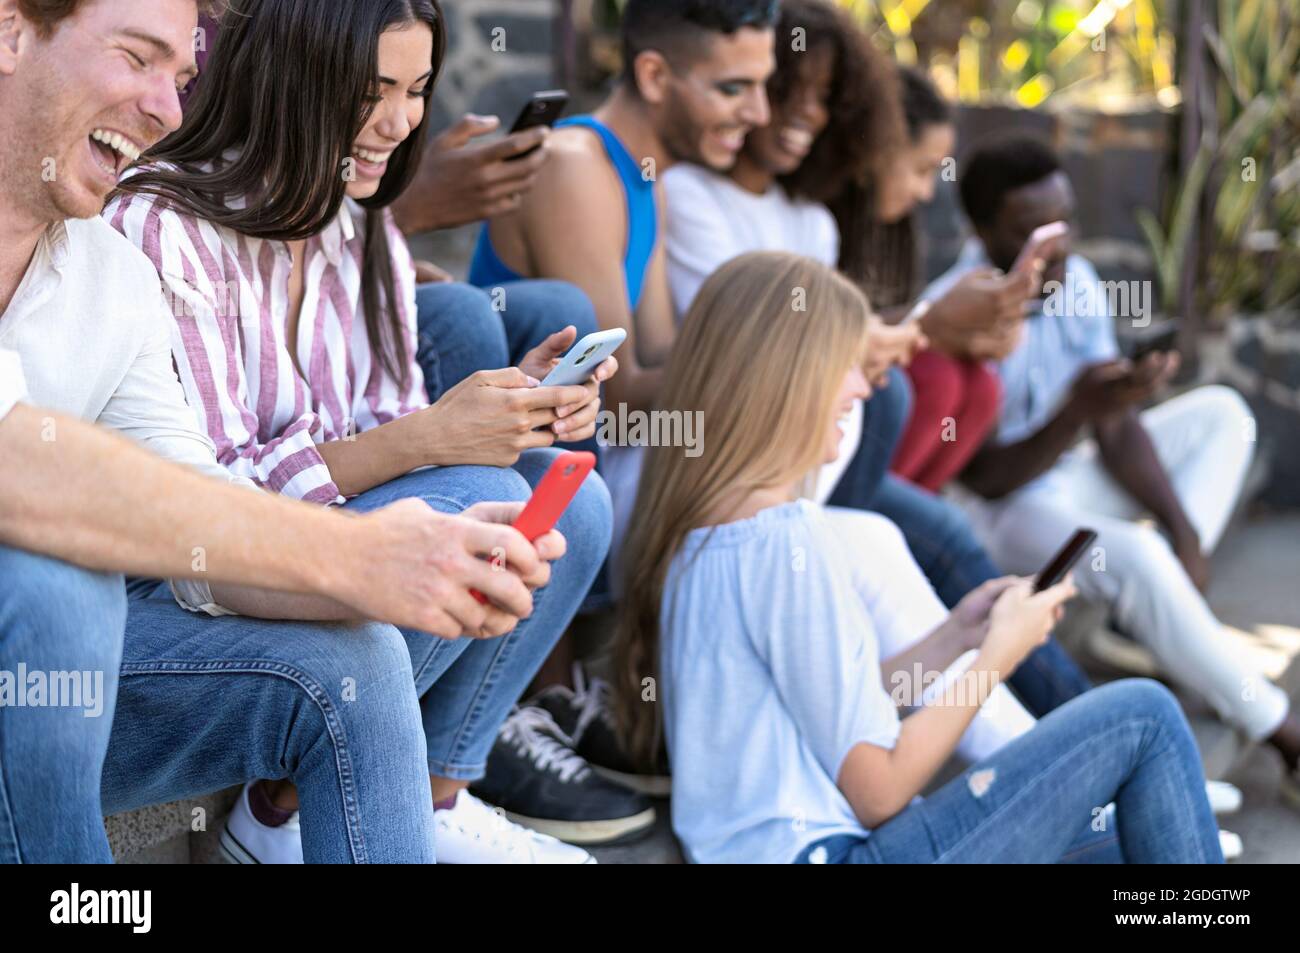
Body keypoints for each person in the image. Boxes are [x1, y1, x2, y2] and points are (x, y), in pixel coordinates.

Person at [0, 0, 566, 864]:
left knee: (364, 657)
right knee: (58, 595)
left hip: (85, 690)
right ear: (10, 31)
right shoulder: (157, 228)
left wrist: (400, 559)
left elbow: (196, 510)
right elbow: (17, 459)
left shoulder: (109, 276)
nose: (168, 109)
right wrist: (362, 553)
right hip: (47, 652)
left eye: (181, 76)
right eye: (135, 58)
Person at [613, 251, 1223, 864]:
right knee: (1143, 716)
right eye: (845, 365)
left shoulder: (702, 533)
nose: (860, 386)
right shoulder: (787, 539)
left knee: (1126, 838)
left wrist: (956, 637)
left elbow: (831, 706)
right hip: (831, 854)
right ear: (788, 378)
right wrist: (996, 657)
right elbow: (878, 789)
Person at [661, 1, 1089, 719]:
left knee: (937, 551)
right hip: (764, 478)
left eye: (823, 99)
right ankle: (1086, 742)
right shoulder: (689, 195)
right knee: (937, 542)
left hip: (826, 475)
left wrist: (915, 331)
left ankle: (1085, 742)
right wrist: (923, 325)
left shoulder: (811, 222)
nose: (797, 113)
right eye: (779, 89)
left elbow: (832, 346)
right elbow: (755, 350)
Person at [929, 135, 1300, 802]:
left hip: (1072, 468)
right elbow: (986, 475)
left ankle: (1162, 605)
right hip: (1000, 512)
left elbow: (1113, 427)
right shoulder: (956, 309)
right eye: (1031, 230)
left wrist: (1180, 525)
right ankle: (1281, 727)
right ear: (981, 229)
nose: (1058, 245)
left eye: (1063, 223)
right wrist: (1080, 410)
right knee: (1130, 553)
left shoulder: (1078, 282)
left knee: (1223, 415)